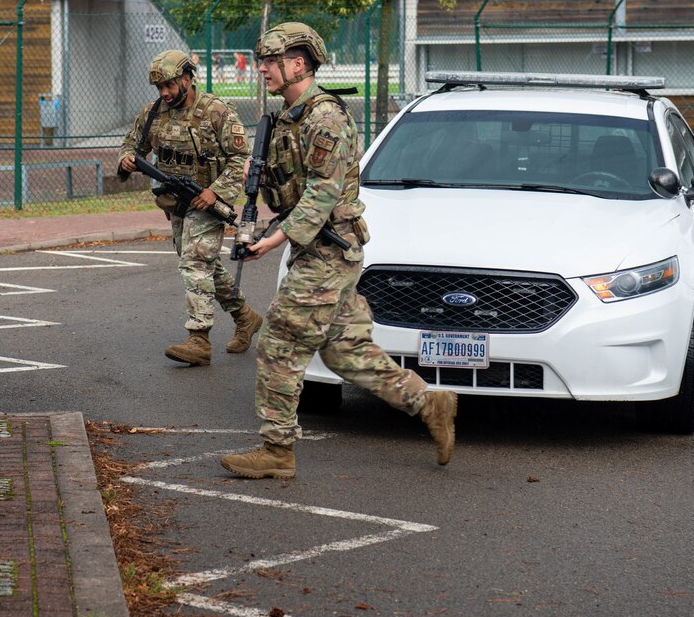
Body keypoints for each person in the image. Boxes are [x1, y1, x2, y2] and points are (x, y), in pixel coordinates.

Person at [220, 23, 457, 479]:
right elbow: (290, 192)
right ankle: (428, 404)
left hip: (328, 250)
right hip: (320, 250)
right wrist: (262, 223)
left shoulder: (324, 118)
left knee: (278, 343)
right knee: (345, 350)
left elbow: (322, 193)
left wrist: (274, 240)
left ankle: (277, 450)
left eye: (272, 61)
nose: (263, 69)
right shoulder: (287, 118)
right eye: (264, 61)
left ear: (298, 64)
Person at [117, 50, 262, 366]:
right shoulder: (153, 114)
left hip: (208, 201)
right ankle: (245, 317)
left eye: (169, 85)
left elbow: (241, 159)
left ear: (187, 78)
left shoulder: (216, 112)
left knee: (195, 261)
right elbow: (131, 145)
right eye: (159, 88)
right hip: (177, 203)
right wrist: (126, 159)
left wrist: (215, 192)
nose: (165, 93)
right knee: (205, 263)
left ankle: (199, 339)